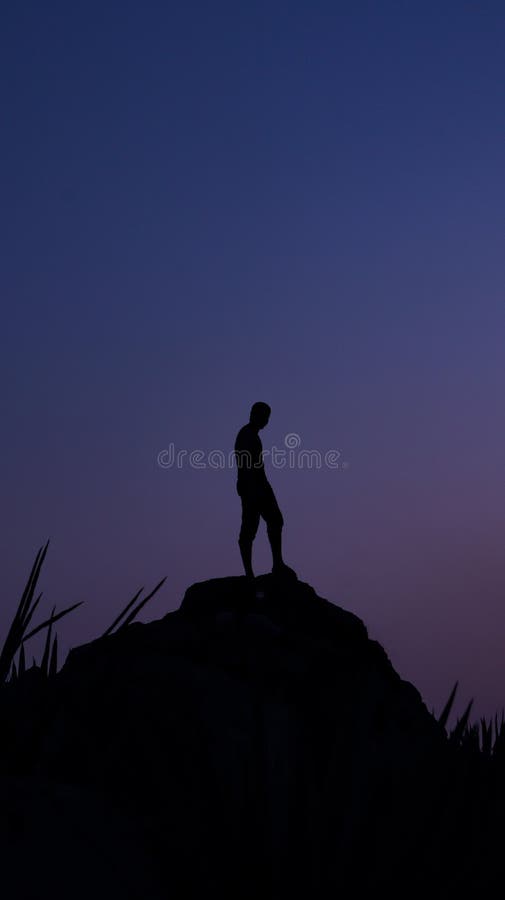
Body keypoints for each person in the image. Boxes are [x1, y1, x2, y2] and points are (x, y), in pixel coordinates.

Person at [234, 401, 286, 579]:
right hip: (253, 486)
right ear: (254, 415)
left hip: (258, 484)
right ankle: (250, 572)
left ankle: (277, 563)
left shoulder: (251, 435)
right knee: (250, 529)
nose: (265, 421)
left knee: (275, 521)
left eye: (267, 417)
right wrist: (251, 489)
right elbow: (246, 466)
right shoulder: (246, 435)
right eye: (263, 416)